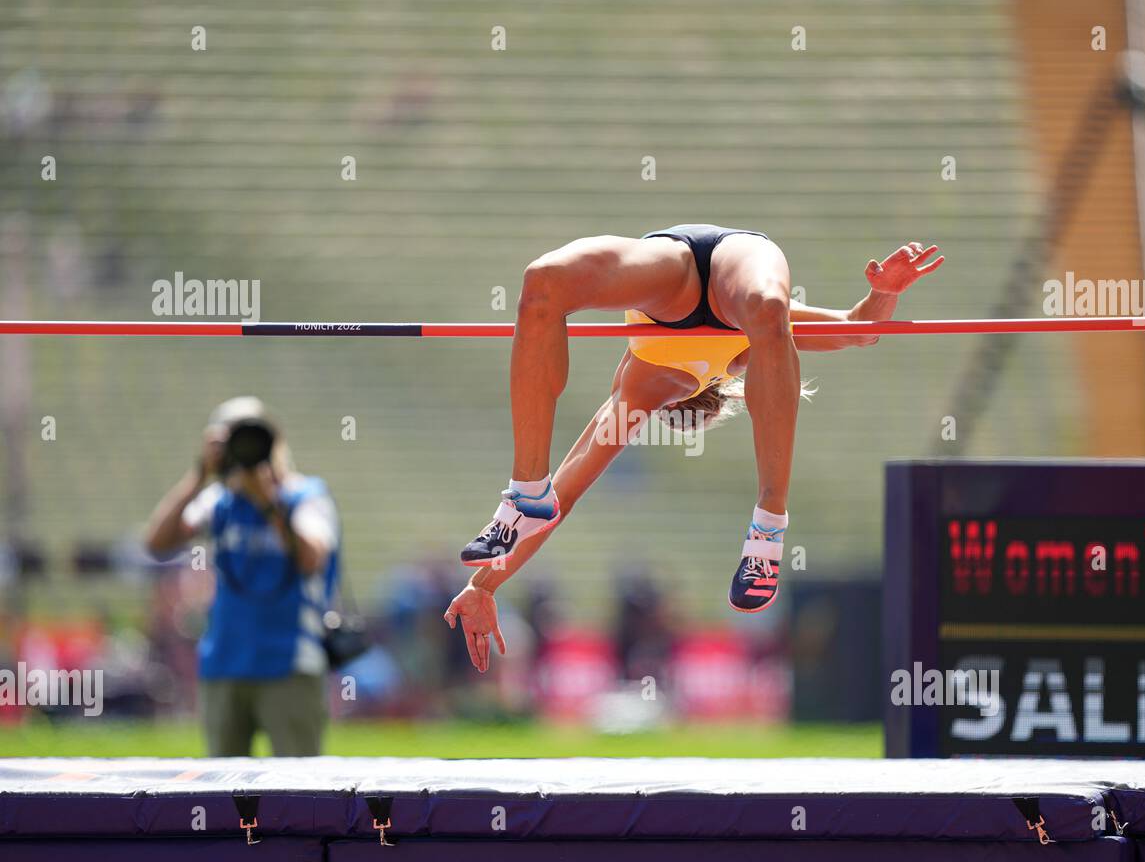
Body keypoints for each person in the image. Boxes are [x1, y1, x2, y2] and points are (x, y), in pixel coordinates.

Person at [447, 224, 942, 671]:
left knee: (543, 281)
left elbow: (566, 493)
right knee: (769, 313)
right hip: (725, 264)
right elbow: (860, 329)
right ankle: (768, 525)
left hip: (673, 270)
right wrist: (882, 293)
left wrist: (484, 585)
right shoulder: (743, 347)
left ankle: (526, 490)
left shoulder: (641, 391)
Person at [144, 396, 340, 756]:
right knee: (224, 793)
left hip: (290, 663)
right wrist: (200, 473)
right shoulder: (219, 500)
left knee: (302, 794)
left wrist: (267, 501)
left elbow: (312, 558)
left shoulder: (305, 495)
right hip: (225, 662)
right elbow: (158, 542)